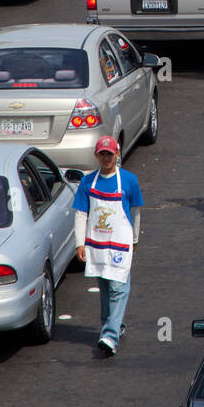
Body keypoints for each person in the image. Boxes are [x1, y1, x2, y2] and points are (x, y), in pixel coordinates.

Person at [73, 136, 144, 358]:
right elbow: (81, 213)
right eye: (102, 154)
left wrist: (134, 239)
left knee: (118, 288)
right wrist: (79, 243)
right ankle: (113, 324)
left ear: (117, 154)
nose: (106, 158)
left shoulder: (130, 181)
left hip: (120, 246)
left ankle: (110, 337)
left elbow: (135, 211)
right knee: (104, 285)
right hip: (97, 245)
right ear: (97, 156)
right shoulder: (87, 182)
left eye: (109, 154)